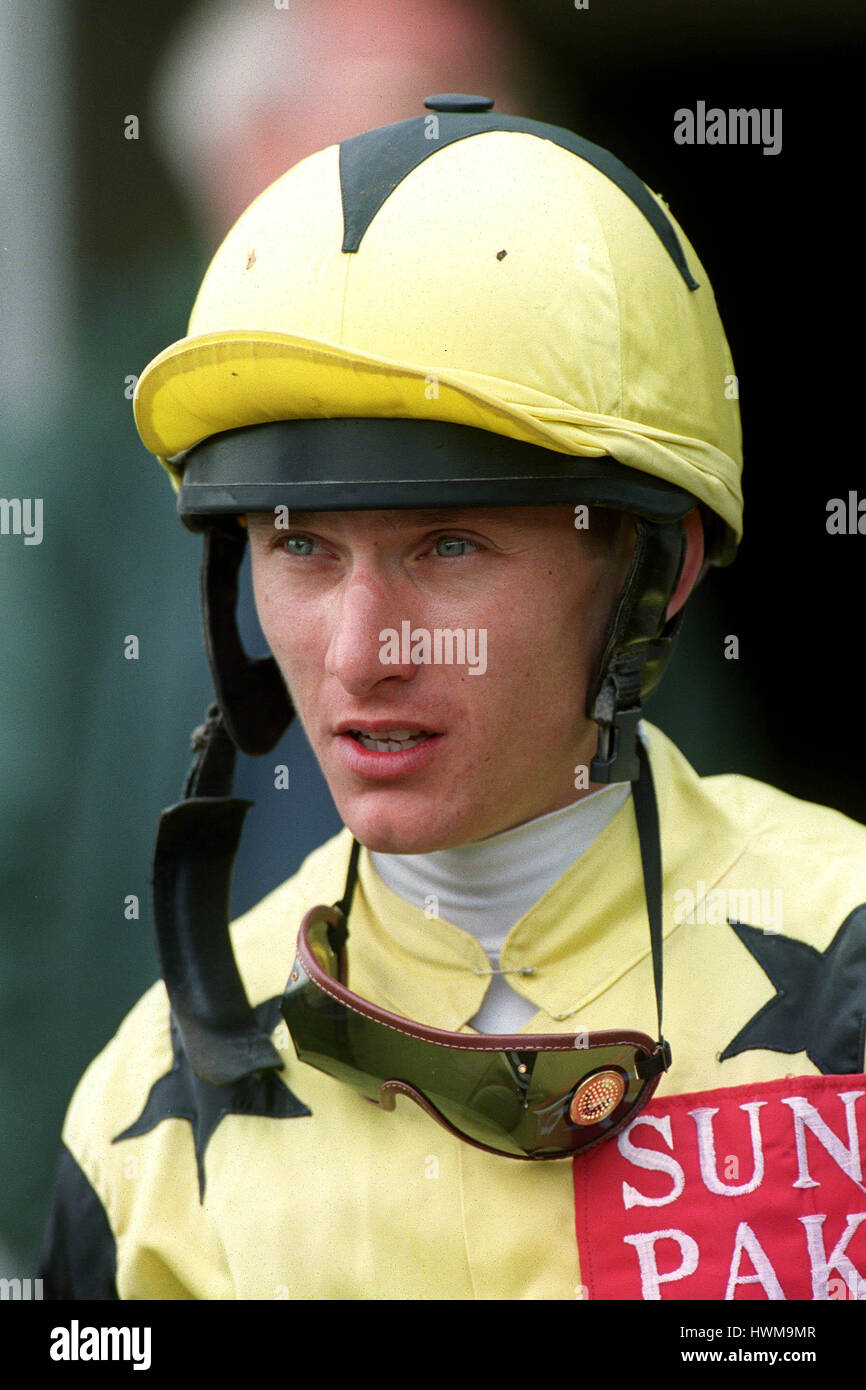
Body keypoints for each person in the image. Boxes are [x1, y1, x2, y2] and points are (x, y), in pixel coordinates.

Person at [40, 96, 866, 1302]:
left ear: (657, 571)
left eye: (449, 546)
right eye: (301, 547)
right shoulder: (144, 1117)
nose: (362, 651)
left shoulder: (843, 971)